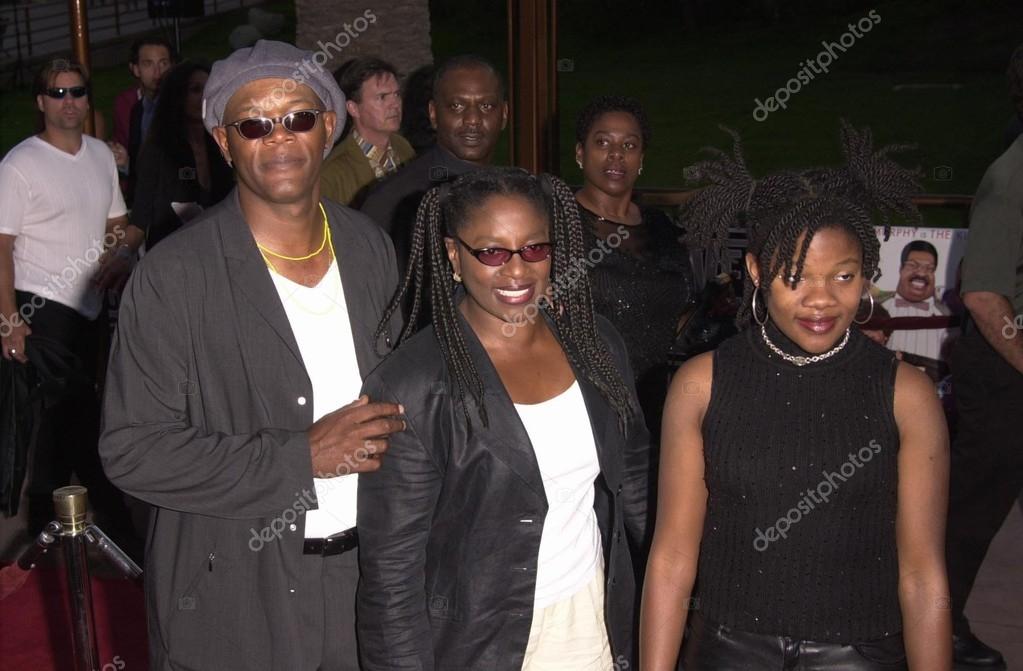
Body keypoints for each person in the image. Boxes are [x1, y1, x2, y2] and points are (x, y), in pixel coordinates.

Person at [99, 40, 404, 671]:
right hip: (235, 592)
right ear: (222, 140)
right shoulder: (175, 275)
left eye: (296, 118)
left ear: (327, 127)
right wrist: (301, 458)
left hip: (366, 582)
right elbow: (132, 450)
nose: (280, 138)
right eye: (254, 125)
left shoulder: (369, 247)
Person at [641, 123, 951, 670]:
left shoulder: (906, 394)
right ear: (756, 271)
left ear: (868, 276)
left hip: (862, 654)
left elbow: (922, 574)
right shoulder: (702, 384)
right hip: (727, 651)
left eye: (844, 276)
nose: (821, 300)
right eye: (796, 277)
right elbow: (670, 559)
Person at [357, 169, 650, 670]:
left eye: (534, 248)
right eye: (492, 252)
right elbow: (392, 575)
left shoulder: (596, 346)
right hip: (479, 645)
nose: (517, 271)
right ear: (454, 255)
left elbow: (638, 484)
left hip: (591, 625)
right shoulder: (412, 384)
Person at [0, 58, 143, 537]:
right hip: (39, 308)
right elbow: (0, 247)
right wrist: (9, 319)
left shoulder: (101, 154)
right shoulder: (19, 164)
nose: (69, 102)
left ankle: (54, 536)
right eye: (58, 93)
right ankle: (114, 529)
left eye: (77, 92)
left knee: (68, 428)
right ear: (40, 102)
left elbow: (116, 225)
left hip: (87, 309)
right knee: (70, 425)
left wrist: (120, 252)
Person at [943, 115, 1023, 668]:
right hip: (1003, 370)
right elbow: (985, 296)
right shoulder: (1013, 174)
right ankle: (937, 625)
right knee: (973, 508)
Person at [574, 94, 692, 446]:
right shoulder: (557, 223)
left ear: (641, 159)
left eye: (629, 145)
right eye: (603, 143)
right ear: (580, 153)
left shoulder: (662, 227)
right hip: (587, 412)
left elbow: (680, 309)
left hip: (657, 407)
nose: (616, 154)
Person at [361, 54, 508, 274]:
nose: (473, 119)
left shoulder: (515, 193)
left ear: (504, 114)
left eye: (486, 106)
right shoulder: (395, 201)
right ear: (433, 114)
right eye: (457, 106)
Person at [132, 61, 234, 249]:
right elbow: (139, 218)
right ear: (178, 96)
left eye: (208, 90)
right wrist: (121, 256)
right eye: (195, 90)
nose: (203, 97)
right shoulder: (158, 149)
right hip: (171, 257)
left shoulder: (223, 144)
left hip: (220, 252)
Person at [319, 56, 415, 206]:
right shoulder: (333, 174)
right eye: (382, 97)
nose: (395, 104)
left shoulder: (404, 149)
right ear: (353, 108)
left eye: (396, 94)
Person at [881, 240, 957, 380]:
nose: (921, 273)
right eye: (913, 265)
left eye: (929, 268)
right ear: (900, 269)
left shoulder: (947, 319)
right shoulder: (880, 311)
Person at [113, 36, 175, 201]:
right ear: (135, 69)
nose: (157, 72)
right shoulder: (131, 106)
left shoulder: (184, 104)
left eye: (163, 63)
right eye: (148, 64)